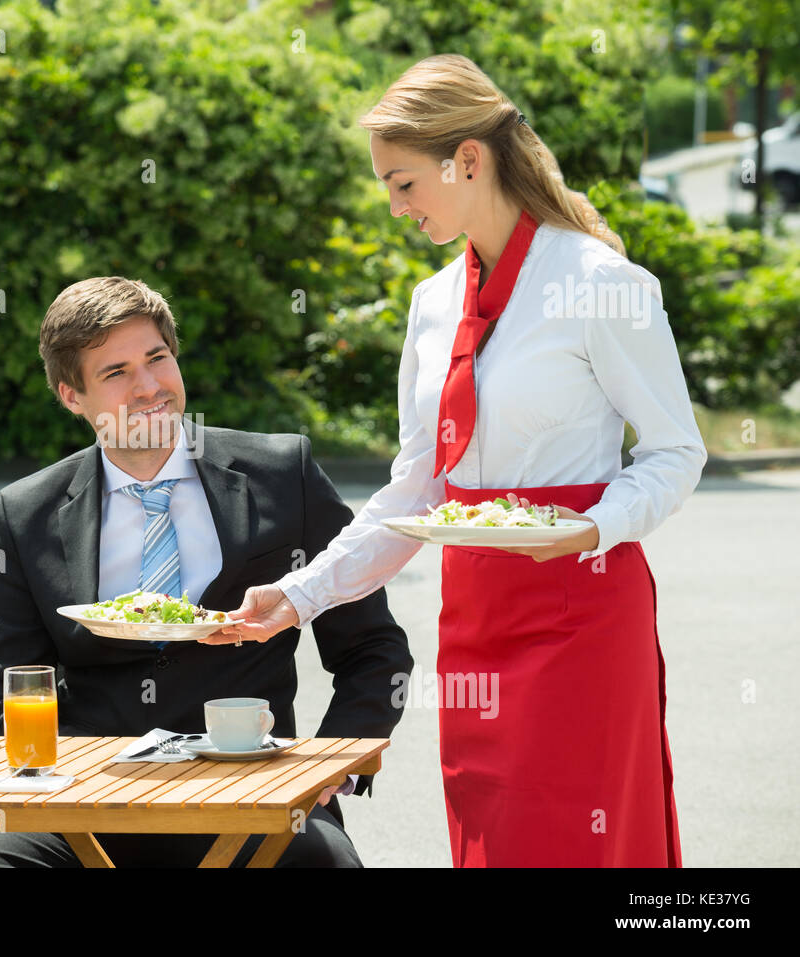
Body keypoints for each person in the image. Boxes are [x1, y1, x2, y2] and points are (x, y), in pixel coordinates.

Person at [213, 54, 707, 867]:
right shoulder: (433, 302)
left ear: (467, 160)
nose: (395, 205)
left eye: (404, 183)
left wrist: (589, 529)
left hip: (583, 611)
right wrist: (297, 596)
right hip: (474, 615)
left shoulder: (602, 284)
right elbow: (419, 487)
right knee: (490, 841)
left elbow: (676, 451)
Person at [0, 276, 413, 868]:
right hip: (81, 802)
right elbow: (3, 688)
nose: (149, 388)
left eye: (157, 358)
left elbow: (374, 649)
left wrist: (326, 769)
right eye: (116, 373)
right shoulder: (27, 511)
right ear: (72, 396)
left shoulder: (283, 473)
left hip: (253, 793)